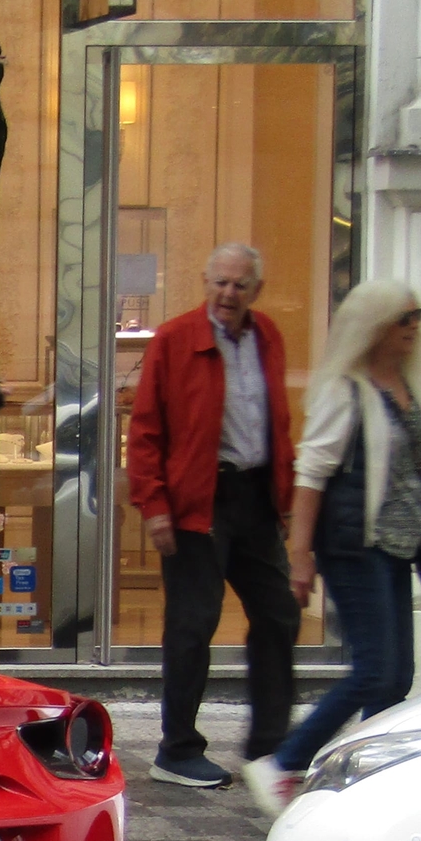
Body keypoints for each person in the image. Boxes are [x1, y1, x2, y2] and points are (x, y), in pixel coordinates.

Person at [243, 282, 421, 816]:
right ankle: (284, 763)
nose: (414, 327)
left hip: (398, 545)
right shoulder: (346, 390)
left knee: (397, 675)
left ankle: (371, 776)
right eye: (404, 318)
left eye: (418, 316)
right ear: (375, 326)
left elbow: (419, 470)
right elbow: (311, 473)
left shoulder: (409, 385)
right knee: (374, 670)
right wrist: (300, 553)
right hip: (354, 545)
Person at [126, 243, 301, 788]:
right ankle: (177, 749)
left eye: (240, 285)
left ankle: (270, 746)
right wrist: (154, 504)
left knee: (278, 615)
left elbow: (278, 422)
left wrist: (288, 499)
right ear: (206, 283)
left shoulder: (268, 335)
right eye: (220, 283)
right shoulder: (176, 340)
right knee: (192, 625)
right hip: (197, 502)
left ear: (256, 291)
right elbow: (146, 428)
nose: (228, 294)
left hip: (255, 497)